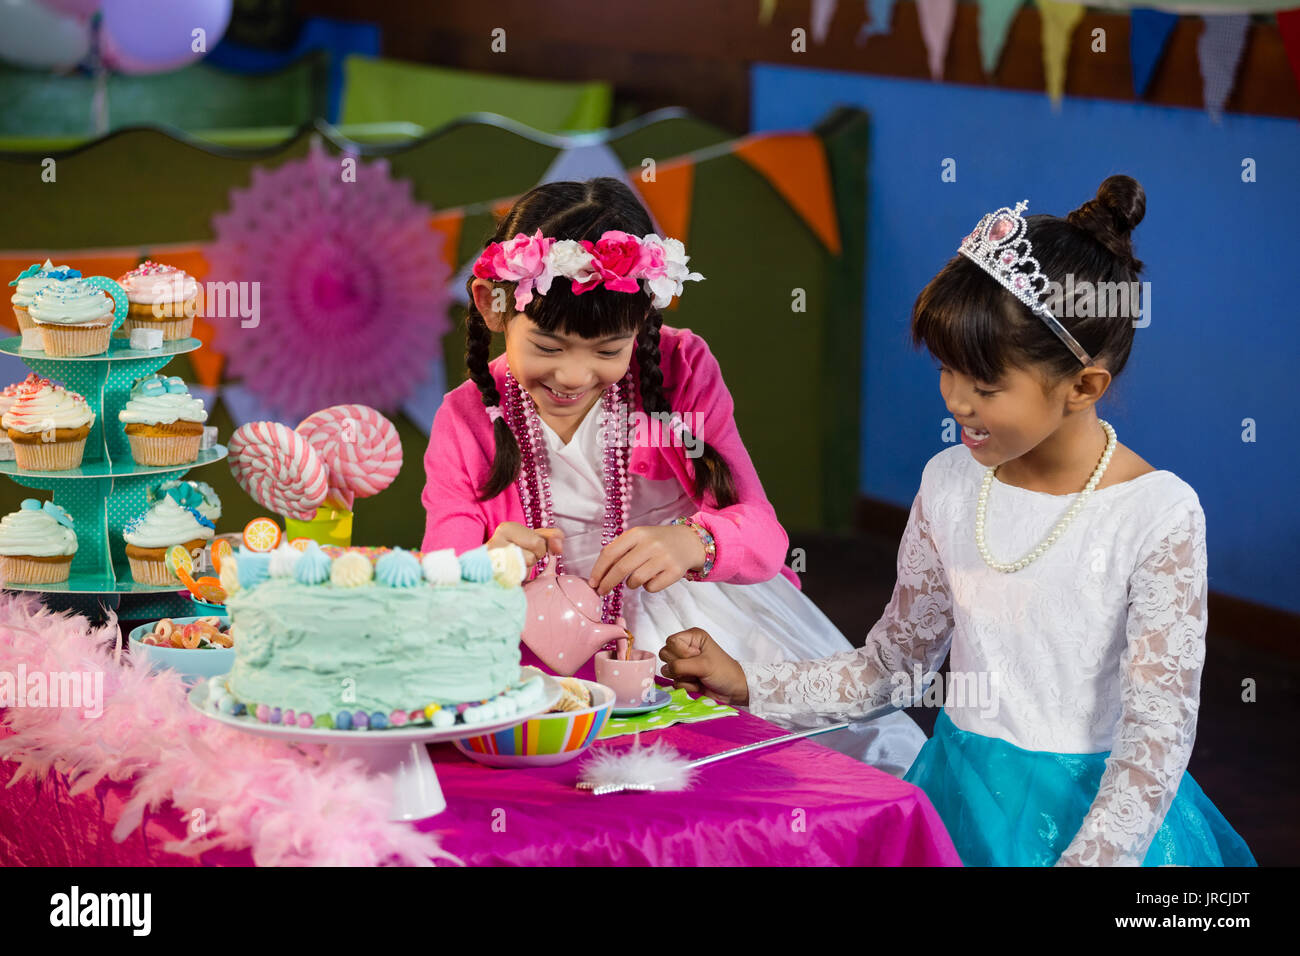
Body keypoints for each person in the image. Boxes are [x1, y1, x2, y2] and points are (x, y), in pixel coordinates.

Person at [659, 175, 1257, 866]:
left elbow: (1158, 730)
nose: (957, 403)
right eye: (946, 371)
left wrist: (1094, 859)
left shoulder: (1156, 513)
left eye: (985, 386)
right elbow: (893, 667)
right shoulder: (948, 481)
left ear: (1082, 387)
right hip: (958, 800)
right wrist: (751, 681)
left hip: (1103, 827)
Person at [420, 177, 927, 777]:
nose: (574, 375)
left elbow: (763, 534)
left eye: (607, 351)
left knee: (787, 778)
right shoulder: (467, 416)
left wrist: (697, 540)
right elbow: (440, 573)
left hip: (695, 622)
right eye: (549, 347)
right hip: (538, 633)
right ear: (492, 304)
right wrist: (485, 562)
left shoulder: (681, 367)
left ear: (642, 322)